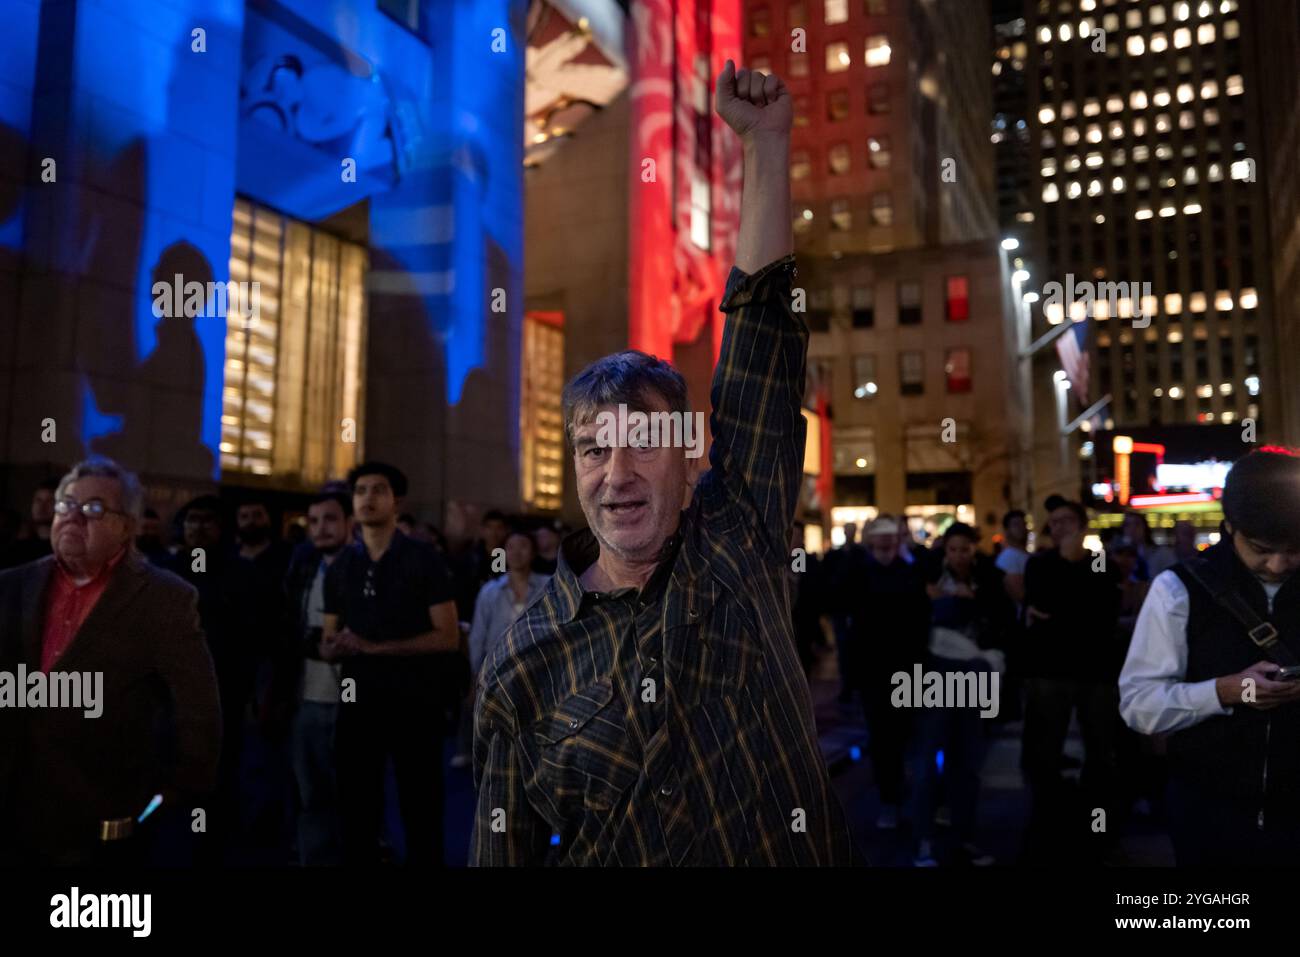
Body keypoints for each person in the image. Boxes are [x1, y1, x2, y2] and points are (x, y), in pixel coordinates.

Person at [471, 62, 855, 866]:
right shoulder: (521, 658)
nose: (617, 473)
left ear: (688, 454)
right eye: (593, 448)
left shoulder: (738, 531)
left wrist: (768, 147)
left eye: (643, 441)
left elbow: (762, 344)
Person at [0, 458, 221, 865]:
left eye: (95, 509)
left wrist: (173, 791)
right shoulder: (12, 585)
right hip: (13, 810)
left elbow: (198, 705)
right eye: (67, 505)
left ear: (127, 526)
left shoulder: (165, 598)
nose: (74, 517)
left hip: (102, 819)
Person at [1120, 448, 1300, 865]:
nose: (1278, 564)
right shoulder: (1178, 589)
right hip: (1210, 814)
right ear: (1229, 526)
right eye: (1261, 548)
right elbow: (1138, 705)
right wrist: (1223, 692)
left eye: (1293, 550)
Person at [323, 461, 460, 866]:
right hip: (357, 704)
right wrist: (336, 647)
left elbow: (448, 636)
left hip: (415, 703)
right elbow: (328, 639)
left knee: (421, 808)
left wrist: (375, 648)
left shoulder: (423, 558)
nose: (367, 498)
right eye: (360, 490)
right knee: (356, 808)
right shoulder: (342, 566)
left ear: (396, 500)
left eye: (377, 489)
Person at [1019, 497, 1122, 862]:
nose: (1060, 527)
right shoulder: (1041, 563)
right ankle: (1049, 824)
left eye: (1067, 521)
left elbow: (1103, 610)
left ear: (1081, 525)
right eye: (1054, 521)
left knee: (1100, 751)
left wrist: (1062, 616)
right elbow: (1044, 602)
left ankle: (1099, 826)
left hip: (1094, 670)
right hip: (1051, 670)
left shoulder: (1099, 563)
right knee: (1046, 748)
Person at [165, 494, 262, 864]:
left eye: (207, 520)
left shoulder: (241, 574)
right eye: (191, 520)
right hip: (170, 699)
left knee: (215, 785)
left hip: (224, 696)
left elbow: (255, 635)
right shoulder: (167, 569)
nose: (198, 527)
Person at [907, 523, 1011, 866]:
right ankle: (925, 839)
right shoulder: (927, 575)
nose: (958, 556)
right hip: (935, 675)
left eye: (964, 549)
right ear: (944, 550)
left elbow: (998, 616)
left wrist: (958, 601)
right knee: (927, 759)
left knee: (966, 762)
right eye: (952, 549)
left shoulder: (989, 579)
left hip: (972, 674)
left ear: (973, 550)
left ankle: (962, 837)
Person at [841, 516, 928, 830]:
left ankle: (909, 796)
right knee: (882, 737)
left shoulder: (909, 571)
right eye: (881, 534)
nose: (888, 540)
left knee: (906, 734)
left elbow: (921, 619)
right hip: (874, 669)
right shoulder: (859, 572)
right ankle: (890, 798)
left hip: (907, 666)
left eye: (892, 534)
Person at [282, 491, 354, 866]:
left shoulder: (362, 565)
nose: (321, 529)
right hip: (308, 697)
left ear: (348, 524)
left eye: (329, 519)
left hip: (353, 700)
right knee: (311, 797)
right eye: (313, 521)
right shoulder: (303, 564)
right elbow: (286, 625)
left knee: (355, 797)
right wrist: (314, 645)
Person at [0, 479, 57, 569]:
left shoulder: (61, 549)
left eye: (50, 501)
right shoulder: (18, 548)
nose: (42, 506)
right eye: (38, 500)